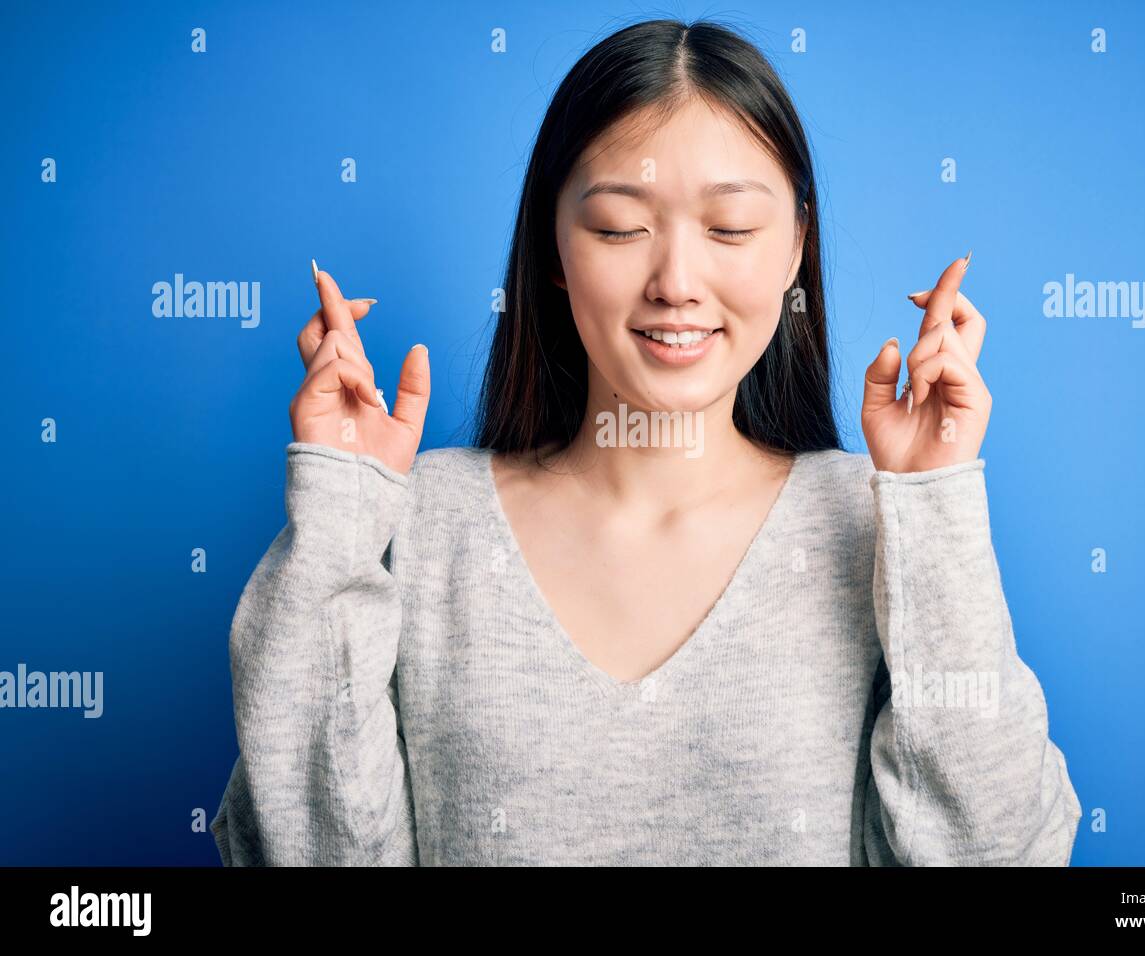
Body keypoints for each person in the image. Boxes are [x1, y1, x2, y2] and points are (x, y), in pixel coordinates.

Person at [211, 18, 1082, 866]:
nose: (676, 283)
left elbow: (997, 851)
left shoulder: (867, 524)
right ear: (553, 246)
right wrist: (341, 517)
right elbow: (293, 845)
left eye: (731, 229)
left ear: (794, 251)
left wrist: (933, 504)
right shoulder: (427, 520)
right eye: (620, 227)